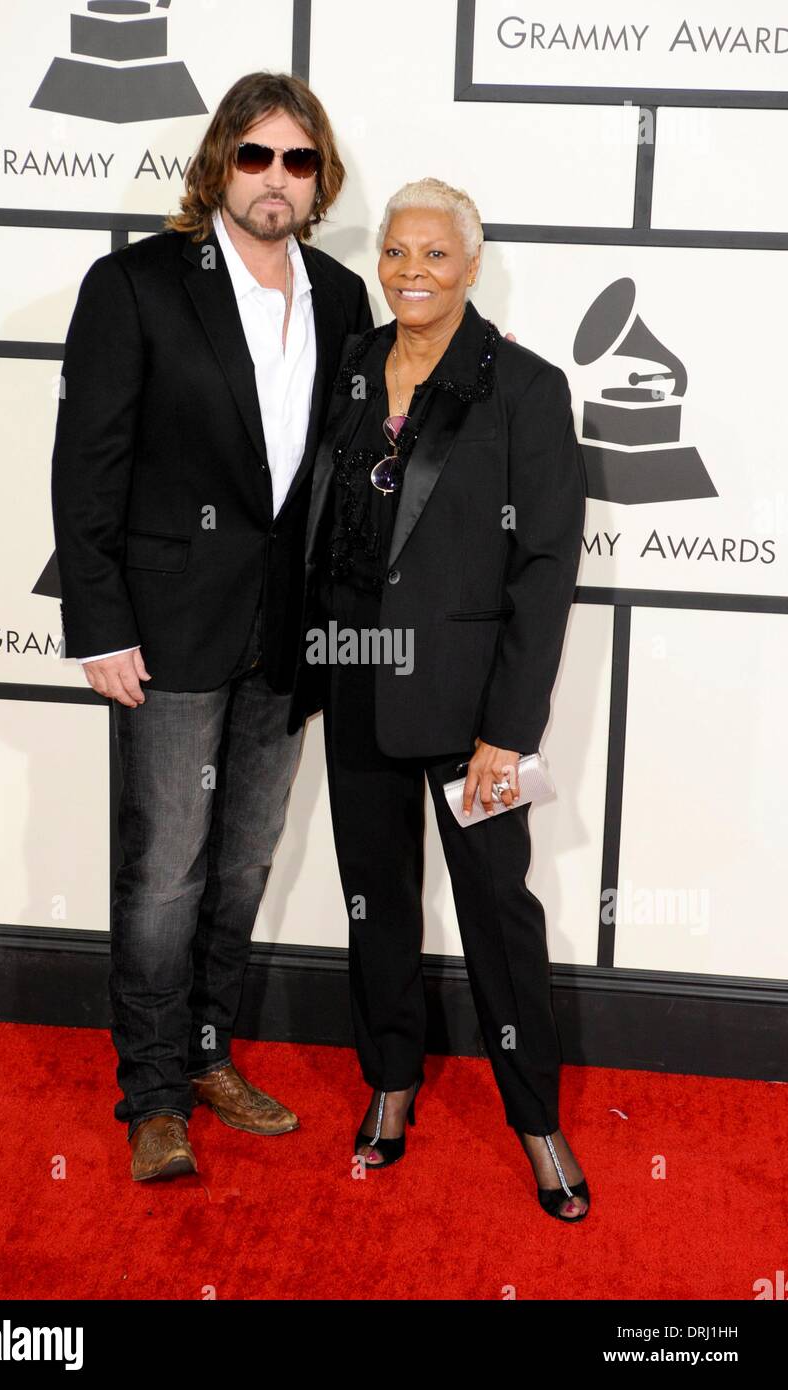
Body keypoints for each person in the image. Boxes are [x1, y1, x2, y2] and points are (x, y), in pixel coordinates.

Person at [50, 72, 373, 1181]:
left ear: (318, 177)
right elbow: (86, 467)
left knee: (239, 866)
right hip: (168, 628)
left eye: (296, 160)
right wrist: (99, 623)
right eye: (254, 156)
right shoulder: (136, 284)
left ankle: (205, 1052)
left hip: (284, 636)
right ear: (218, 163)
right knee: (163, 873)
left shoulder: (337, 295)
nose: (275, 179)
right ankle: (149, 1093)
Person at [289, 178, 590, 1221]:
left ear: (471, 262)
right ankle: (391, 1078)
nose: (411, 273)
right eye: (396, 254)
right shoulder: (355, 367)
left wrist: (508, 732)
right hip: (360, 677)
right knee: (374, 893)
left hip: (471, 715)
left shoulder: (525, 386)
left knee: (499, 911)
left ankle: (536, 1117)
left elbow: (544, 570)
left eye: (434, 255)